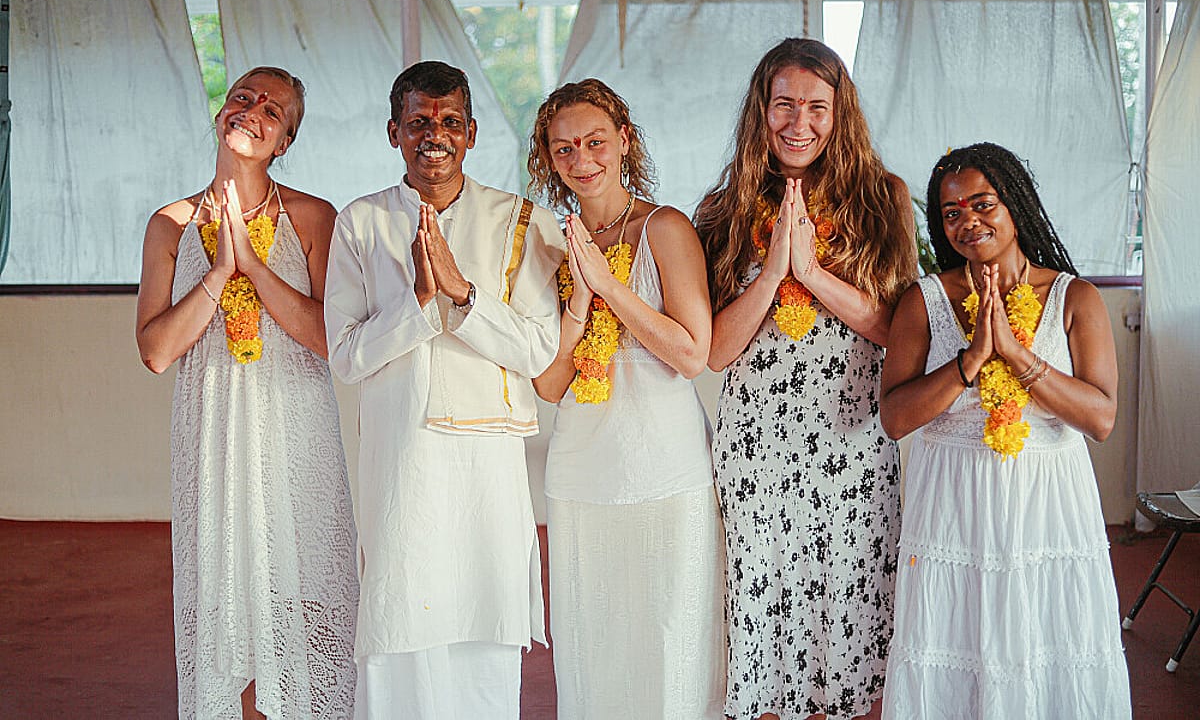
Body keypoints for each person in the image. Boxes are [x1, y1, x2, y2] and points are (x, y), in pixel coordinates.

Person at [323, 61, 565, 720]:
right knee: (401, 614)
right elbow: (345, 356)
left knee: (485, 616)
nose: (436, 134)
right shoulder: (362, 223)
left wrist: (463, 294)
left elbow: (539, 348)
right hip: (402, 457)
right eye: (420, 122)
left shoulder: (520, 220)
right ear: (394, 132)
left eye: (450, 121)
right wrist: (420, 306)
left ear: (473, 132)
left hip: (487, 461)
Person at [693, 38, 917, 720]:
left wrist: (813, 274)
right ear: (760, 111)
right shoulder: (723, 208)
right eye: (784, 103)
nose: (800, 122)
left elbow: (897, 329)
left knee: (844, 606)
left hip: (850, 444)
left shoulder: (884, 197)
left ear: (839, 112)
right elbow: (715, 351)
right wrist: (772, 272)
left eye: (817, 106)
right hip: (757, 446)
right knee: (762, 604)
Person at [879, 142, 1131, 718]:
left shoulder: (1075, 298)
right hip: (952, 505)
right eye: (951, 213)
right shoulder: (924, 302)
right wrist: (971, 361)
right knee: (956, 648)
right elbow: (895, 419)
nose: (969, 221)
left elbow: (1100, 418)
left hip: (1048, 505)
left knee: (1049, 644)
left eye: (983, 203)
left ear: (1014, 203)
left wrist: (1017, 356)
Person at [136, 66, 358, 719]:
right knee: (225, 600)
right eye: (243, 97)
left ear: (284, 140)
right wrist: (221, 273)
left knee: (303, 592)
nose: (253, 110)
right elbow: (155, 350)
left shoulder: (314, 216)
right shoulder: (171, 223)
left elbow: (331, 339)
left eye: (273, 109)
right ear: (220, 114)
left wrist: (255, 269)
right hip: (214, 436)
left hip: (294, 429)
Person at [528, 79, 726, 718]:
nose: (581, 159)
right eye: (563, 149)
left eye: (594, 142)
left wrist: (610, 288)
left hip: (666, 469)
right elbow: (550, 385)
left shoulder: (665, 227)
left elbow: (693, 353)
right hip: (582, 469)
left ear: (625, 142)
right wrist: (579, 306)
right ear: (548, 158)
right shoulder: (549, 242)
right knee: (594, 644)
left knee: (671, 638)